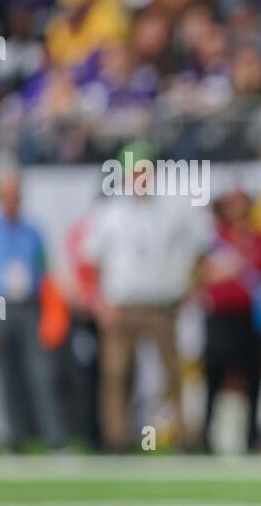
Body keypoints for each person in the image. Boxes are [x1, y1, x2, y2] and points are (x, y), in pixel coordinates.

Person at [84, 152, 207, 450]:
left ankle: (184, 437)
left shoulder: (170, 211)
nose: (140, 180)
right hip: (122, 304)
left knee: (172, 373)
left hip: (161, 304)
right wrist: (101, 302)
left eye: (145, 173)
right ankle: (116, 438)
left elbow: (198, 249)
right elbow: (91, 261)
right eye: (135, 174)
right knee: (116, 373)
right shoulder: (109, 212)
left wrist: (189, 286)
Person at [0, 166, 67, 450]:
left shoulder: (32, 231)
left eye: (16, 194)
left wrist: (52, 311)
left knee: (41, 372)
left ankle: (53, 438)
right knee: (6, 374)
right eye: (7, 194)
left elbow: (45, 273)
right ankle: (15, 439)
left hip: (29, 304)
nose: (12, 200)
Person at [199, 188, 261, 452]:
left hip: (251, 317)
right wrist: (222, 271)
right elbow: (199, 274)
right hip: (220, 316)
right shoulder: (213, 238)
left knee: (254, 375)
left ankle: (252, 437)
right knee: (214, 376)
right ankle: (206, 436)